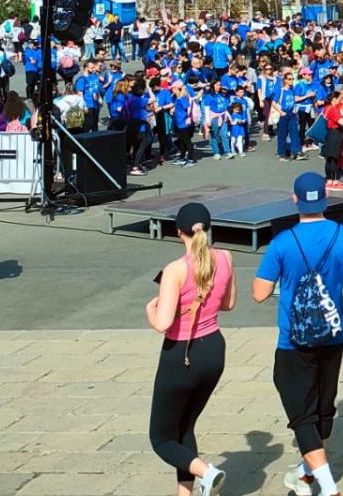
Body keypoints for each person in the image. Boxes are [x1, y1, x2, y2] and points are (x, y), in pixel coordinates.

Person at [252, 172, 343, 496]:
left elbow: (259, 293)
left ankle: (329, 488)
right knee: (324, 407)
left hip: (293, 341)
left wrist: (287, 283)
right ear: (325, 197)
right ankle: (306, 475)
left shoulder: (282, 242)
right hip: (333, 335)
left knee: (302, 415)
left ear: (294, 199)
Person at [145, 202, 234, 496]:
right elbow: (228, 304)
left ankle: (207, 472)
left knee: (161, 438)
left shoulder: (175, 270)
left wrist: (150, 310)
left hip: (181, 354)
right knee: (185, 427)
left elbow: (163, 323)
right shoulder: (225, 258)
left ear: (178, 232)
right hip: (214, 350)